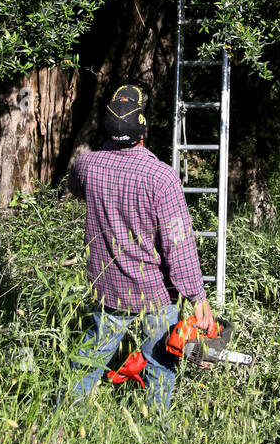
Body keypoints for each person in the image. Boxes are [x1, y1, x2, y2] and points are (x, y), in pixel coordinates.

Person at [65, 83, 214, 411]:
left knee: (89, 359)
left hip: (107, 288)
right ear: (143, 129)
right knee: (160, 363)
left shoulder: (86, 166)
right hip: (154, 294)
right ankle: (155, 428)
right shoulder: (162, 177)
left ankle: (66, 422)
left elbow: (75, 189)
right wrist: (197, 297)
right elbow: (179, 242)